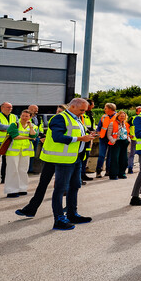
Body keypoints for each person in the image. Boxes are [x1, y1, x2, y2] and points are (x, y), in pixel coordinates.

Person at [38, 98, 96, 230]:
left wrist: (87, 134)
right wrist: (81, 138)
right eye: (82, 110)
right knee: (60, 189)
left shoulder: (76, 118)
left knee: (75, 186)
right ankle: (58, 219)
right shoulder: (59, 118)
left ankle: (72, 214)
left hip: (75, 158)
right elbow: (58, 138)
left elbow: (75, 133)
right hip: (63, 159)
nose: (83, 113)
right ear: (73, 107)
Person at [4, 109, 37, 197]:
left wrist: (30, 127)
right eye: (22, 116)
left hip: (25, 151)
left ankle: (22, 188)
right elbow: (15, 136)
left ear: (30, 117)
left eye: (26, 116)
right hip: (13, 151)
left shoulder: (33, 126)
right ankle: (11, 190)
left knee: (23, 170)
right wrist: (29, 138)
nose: (24, 118)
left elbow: (34, 135)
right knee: (12, 170)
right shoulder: (14, 125)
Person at [107, 110, 132, 180]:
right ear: (118, 116)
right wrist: (113, 141)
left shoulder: (126, 124)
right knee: (115, 159)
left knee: (124, 159)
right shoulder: (112, 123)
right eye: (121, 116)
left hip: (124, 142)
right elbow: (109, 135)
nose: (122, 117)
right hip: (116, 142)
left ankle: (122, 173)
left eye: (123, 116)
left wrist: (128, 140)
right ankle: (113, 175)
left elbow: (127, 133)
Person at [96, 102, 117, 176]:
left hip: (112, 139)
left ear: (110, 109)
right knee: (101, 155)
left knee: (110, 156)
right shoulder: (103, 117)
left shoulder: (118, 116)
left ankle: (108, 171)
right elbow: (99, 127)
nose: (104, 109)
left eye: (106, 108)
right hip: (103, 138)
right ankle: (98, 171)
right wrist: (98, 133)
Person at [80, 99, 97, 181]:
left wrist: (94, 131)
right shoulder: (81, 114)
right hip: (83, 138)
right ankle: (80, 175)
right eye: (92, 105)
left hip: (89, 138)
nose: (93, 106)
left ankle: (83, 174)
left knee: (86, 156)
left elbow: (91, 125)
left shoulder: (90, 114)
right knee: (82, 157)